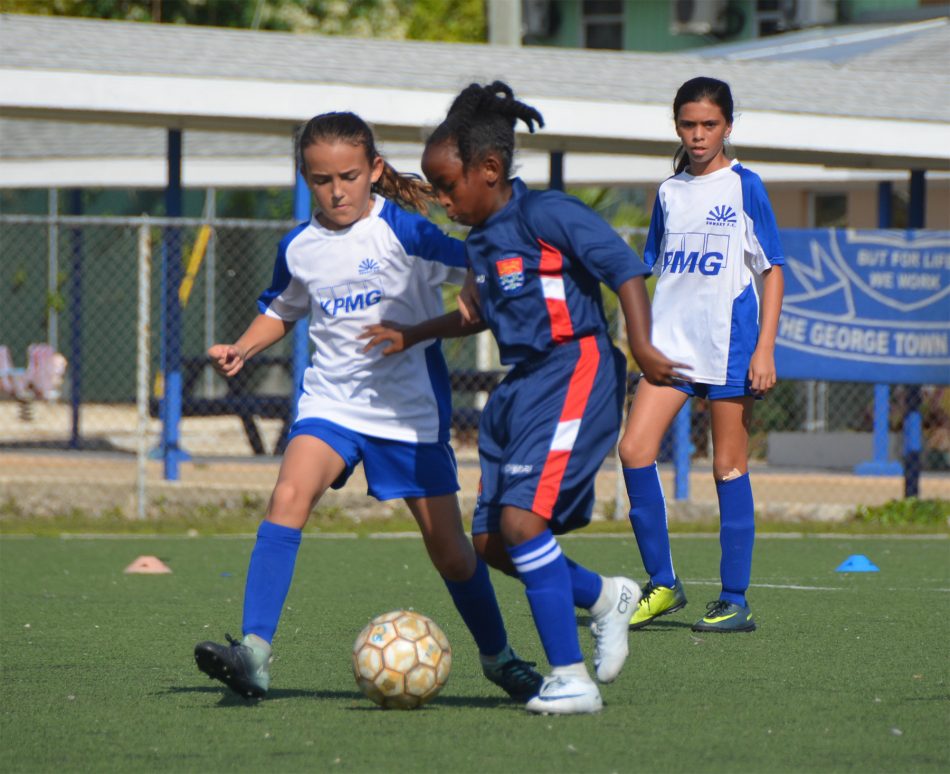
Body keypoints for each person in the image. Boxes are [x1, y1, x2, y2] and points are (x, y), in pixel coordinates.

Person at [194, 111, 542, 702]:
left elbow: (475, 261)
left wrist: (499, 273)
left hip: (408, 415)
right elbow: (281, 307)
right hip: (331, 404)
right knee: (287, 496)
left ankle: (498, 657)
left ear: (374, 170)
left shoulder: (403, 232)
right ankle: (253, 652)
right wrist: (243, 346)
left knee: (451, 552)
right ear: (306, 178)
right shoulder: (300, 246)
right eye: (321, 179)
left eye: (349, 177)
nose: (336, 191)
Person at [361, 82, 684, 715]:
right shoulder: (482, 240)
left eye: (449, 186)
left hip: (575, 369)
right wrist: (413, 332)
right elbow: (477, 313)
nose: (444, 200)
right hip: (520, 389)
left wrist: (642, 345)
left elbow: (624, 268)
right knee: (491, 545)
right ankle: (602, 596)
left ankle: (570, 679)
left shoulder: (548, 216)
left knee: (522, 523)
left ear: (489, 169)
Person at [620, 76, 785, 634]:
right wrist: (641, 340)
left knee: (728, 467)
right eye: (688, 124)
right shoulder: (668, 192)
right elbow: (657, 271)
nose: (697, 134)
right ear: (677, 127)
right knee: (634, 450)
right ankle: (664, 585)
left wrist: (764, 347)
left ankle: (735, 598)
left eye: (709, 124)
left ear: (728, 127)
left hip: (730, 346)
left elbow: (772, 269)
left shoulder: (746, 186)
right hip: (669, 348)